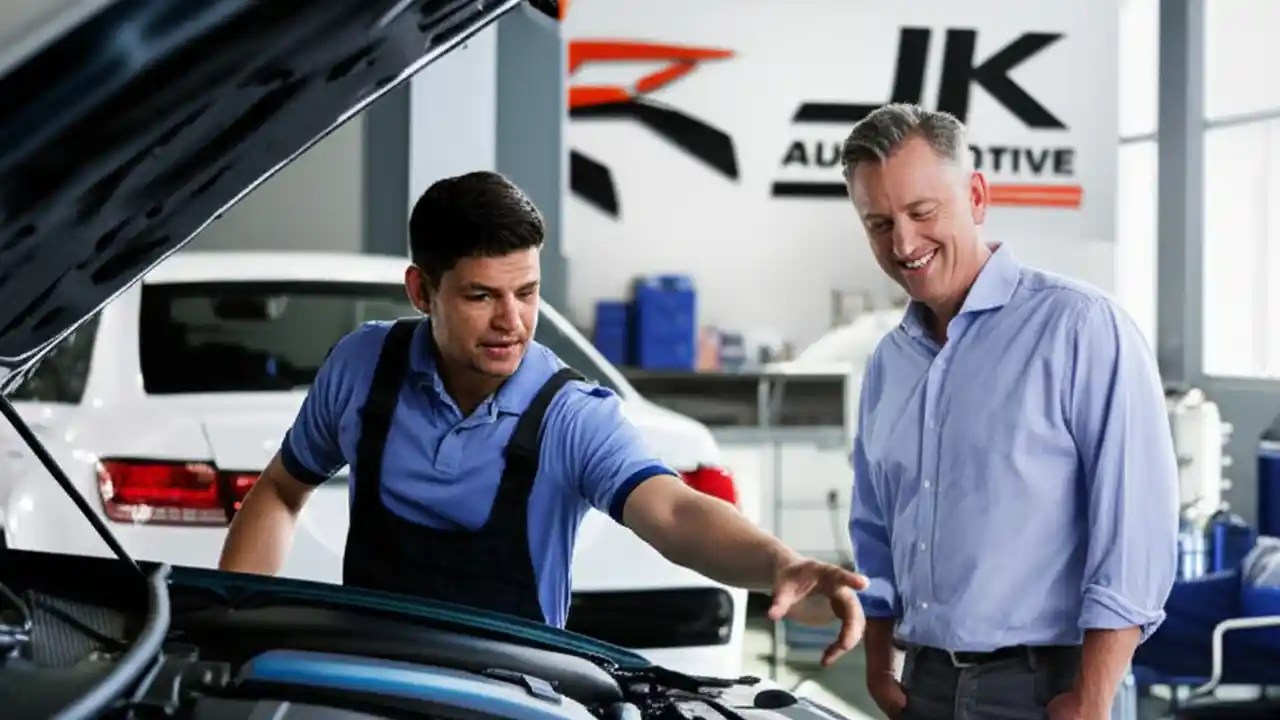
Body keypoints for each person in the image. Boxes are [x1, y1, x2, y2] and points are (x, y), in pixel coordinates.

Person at [217, 170, 868, 666]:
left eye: (526, 293)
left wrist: (779, 563)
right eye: (481, 296)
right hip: (371, 685)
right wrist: (231, 627)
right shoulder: (362, 367)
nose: (512, 321)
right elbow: (280, 488)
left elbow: (674, 512)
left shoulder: (568, 414)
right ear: (422, 292)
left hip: (512, 698)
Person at [838, 104, 1178, 719]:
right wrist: (881, 663)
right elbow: (875, 527)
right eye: (880, 223)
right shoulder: (889, 362)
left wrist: (1093, 698)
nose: (904, 244)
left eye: (921, 213)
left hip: (1049, 690)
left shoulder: (1079, 327)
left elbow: (1134, 528)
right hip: (925, 685)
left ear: (974, 195)